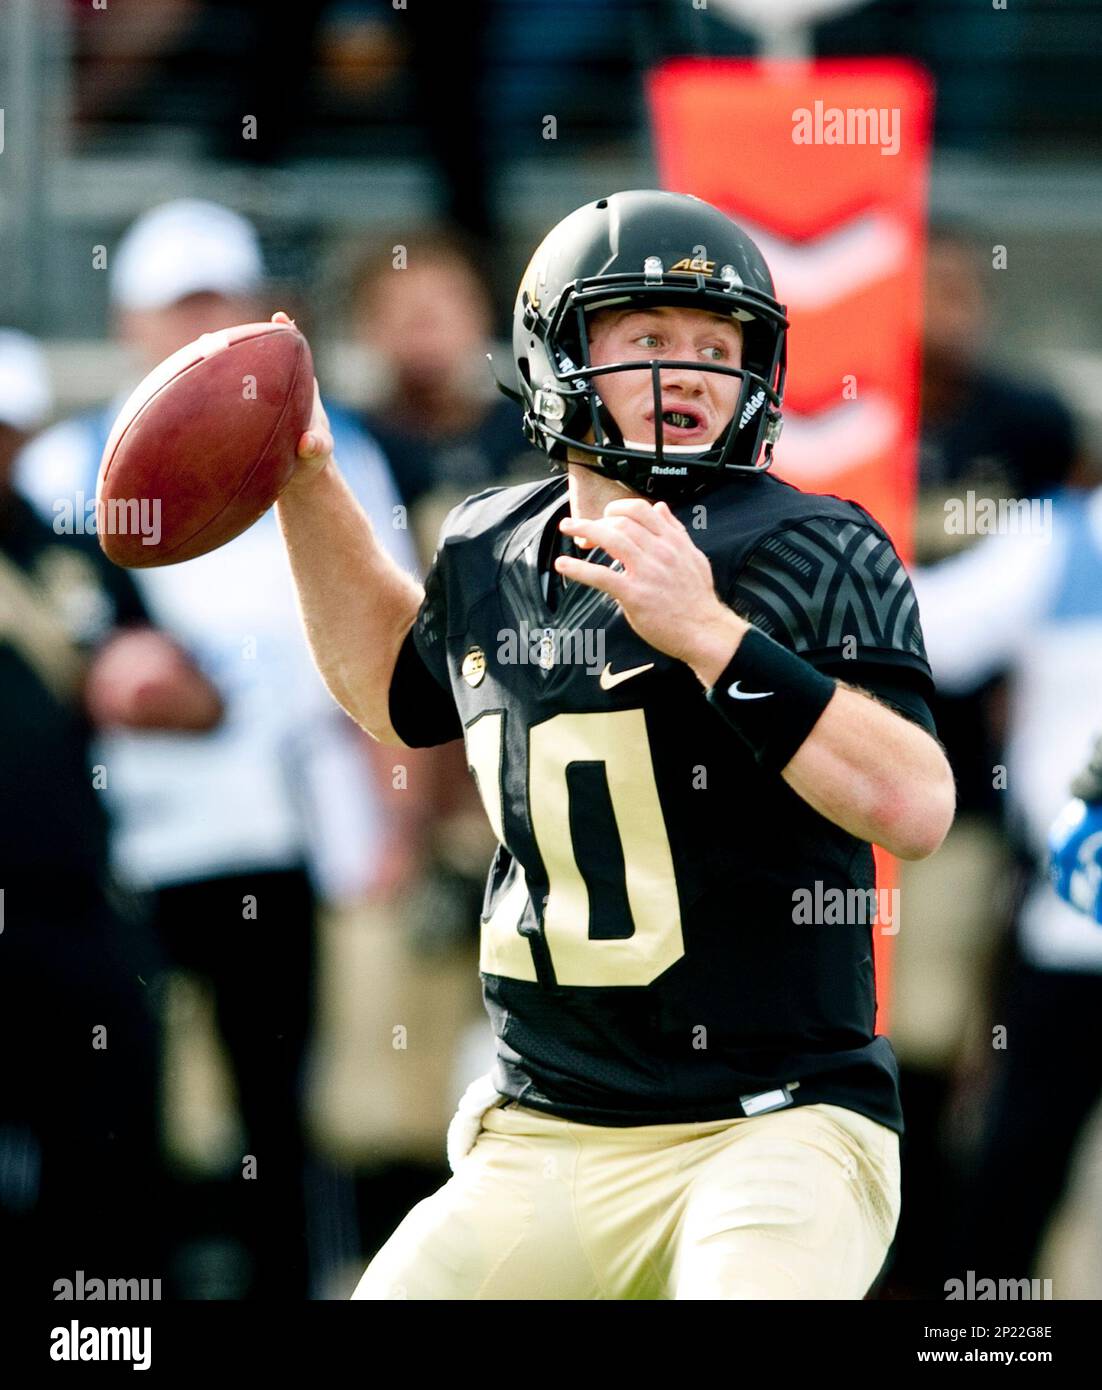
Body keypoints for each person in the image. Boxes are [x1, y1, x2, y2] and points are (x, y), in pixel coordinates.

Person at [274, 190, 956, 1300]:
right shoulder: (491, 540)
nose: (688, 371)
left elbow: (914, 807)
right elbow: (395, 693)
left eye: (717, 345)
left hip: (771, 1128)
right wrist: (303, 474)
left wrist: (708, 636)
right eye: (648, 339)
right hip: (542, 1135)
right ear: (555, 354)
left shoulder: (809, 544)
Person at [14, 200, 417, 1299]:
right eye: (175, 307)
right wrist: (124, 682)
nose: (196, 330)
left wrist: (390, 813)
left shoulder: (334, 459)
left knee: (280, 1101)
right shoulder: (59, 463)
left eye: (217, 305)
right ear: (131, 322)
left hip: (272, 824)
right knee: (119, 1107)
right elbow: (61, 653)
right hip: (119, 839)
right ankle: (126, 1315)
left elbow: (386, 648)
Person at [0, 329, 222, 1297]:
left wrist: (161, 688)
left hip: (70, 898)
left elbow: (205, 700)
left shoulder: (68, 557)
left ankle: (104, 1335)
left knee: (111, 1152)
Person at [912, 483, 1102, 1289]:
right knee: (1022, 1154)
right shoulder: (1060, 543)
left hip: (1068, 919)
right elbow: (930, 629)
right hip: (1074, 924)